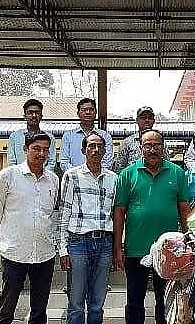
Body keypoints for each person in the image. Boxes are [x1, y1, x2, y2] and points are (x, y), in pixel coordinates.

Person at [114, 129, 190, 324]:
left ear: (163, 148)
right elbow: (119, 212)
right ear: (141, 148)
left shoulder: (177, 173)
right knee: (134, 300)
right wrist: (118, 248)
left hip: (169, 250)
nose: (152, 149)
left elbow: (184, 210)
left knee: (165, 300)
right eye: (148, 145)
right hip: (135, 249)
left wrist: (188, 243)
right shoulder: (127, 174)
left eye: (156, 145)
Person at [0, 132, 60, 324]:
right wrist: (8, 238)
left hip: (44, 253)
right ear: (25, 149)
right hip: (15, 252)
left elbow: (50, 214)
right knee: (7, 307)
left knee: (39, 309)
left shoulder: (53, 180)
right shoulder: (8, 176)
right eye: (36, 148)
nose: (41, 154)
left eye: (46, 150)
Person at [59, 132, 117, 324]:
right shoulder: (72, 175)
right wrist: (62, 248)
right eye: (91, 146)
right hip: (78, 243)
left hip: (105, 244)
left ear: (105, 150)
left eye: (100, 146)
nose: (96, 149)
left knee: (97, 302)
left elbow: (116, 215)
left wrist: (118, 246)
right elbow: (64, 212)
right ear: (83, 150)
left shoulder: (113, 179)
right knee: (76, 302)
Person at [61, 98, 114, 172]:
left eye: (91, 109)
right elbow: (64, 162)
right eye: (84, 110)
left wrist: (95, 174)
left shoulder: (105, 136)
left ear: (95, 113)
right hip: (75, 178)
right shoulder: (68, 136)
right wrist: (79, 175)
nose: (88, 112)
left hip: (99, 178)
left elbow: (108, 162)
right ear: (78, 114)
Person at [6, 98, 56, 172]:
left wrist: (41, 175)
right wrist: (20, 176)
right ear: (25, 116)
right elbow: (11, 162)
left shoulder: (49, 137)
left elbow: (51, 162)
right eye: (30, 113)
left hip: (42, 179)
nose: (34, 115)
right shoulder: (14, 136)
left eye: (37, 113)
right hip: (19, 179)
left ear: (41, 116)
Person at [113, 106, 156, 173]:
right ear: (137, 120)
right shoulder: (127, 142)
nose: (147, 120)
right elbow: (119, 168)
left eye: (150, 118)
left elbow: (166, 165)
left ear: (154, 121)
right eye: (143, 118)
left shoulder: (161, 143)